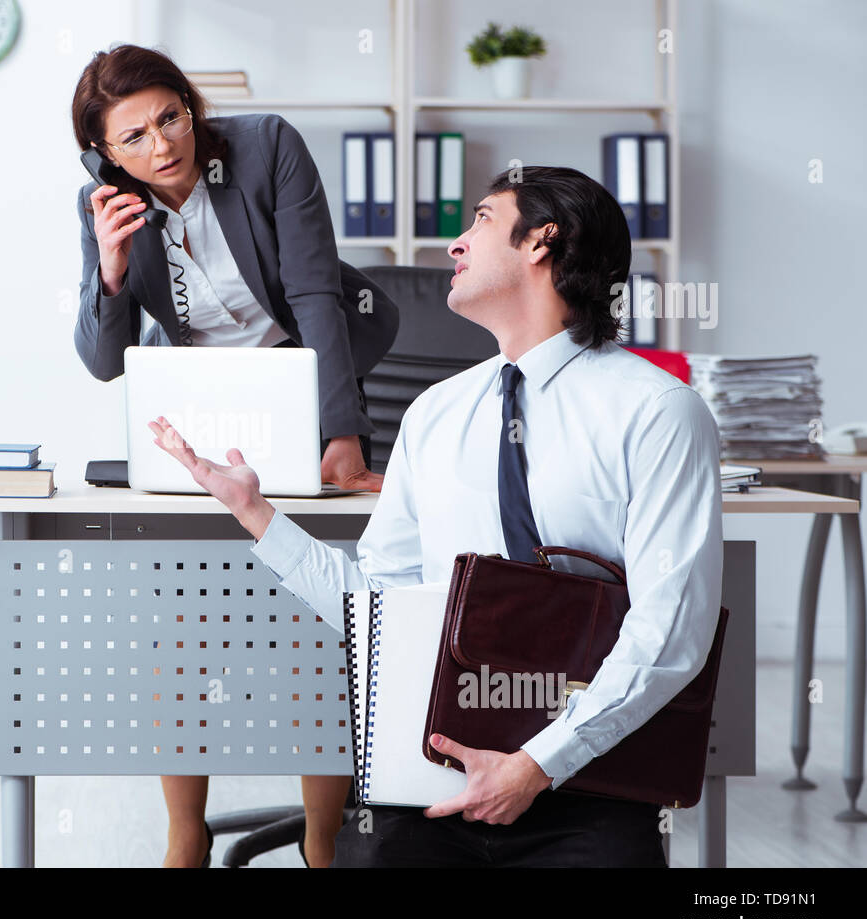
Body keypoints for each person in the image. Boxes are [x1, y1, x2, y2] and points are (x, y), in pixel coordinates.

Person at [147, 165, 724, 867]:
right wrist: (255, 511)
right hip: (436, 786)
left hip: (587, 783)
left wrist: (538, 764)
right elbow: (381, 609)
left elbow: (671, 633)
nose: (454, 244)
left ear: (543, 241)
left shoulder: (658, 413)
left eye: (480, 219)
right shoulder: (436, 414)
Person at [71, 43, 399, 868]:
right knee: (177, 629)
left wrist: (342, 439)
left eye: (170, 116)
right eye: (134, 136)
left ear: (192, 106)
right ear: (104, 154)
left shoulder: (265, 147)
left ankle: (324, 836)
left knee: (323, 627)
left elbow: (319, 291)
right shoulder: (107, 206)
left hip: (306, 385)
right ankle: (186, 829)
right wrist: (110, 274)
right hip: (205, 414)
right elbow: (103, 360)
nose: (162, 146)